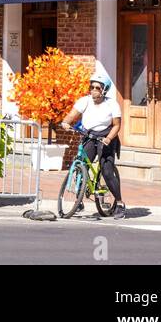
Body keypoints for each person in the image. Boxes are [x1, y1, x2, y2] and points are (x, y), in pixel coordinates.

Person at [61, 75, 126, 219]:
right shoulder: (84, 101)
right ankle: (79, 202)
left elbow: (116, 125)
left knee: (107, 171)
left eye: (98, 88)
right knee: (81, 165)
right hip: (89, 136)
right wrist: (66, 122)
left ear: (104, 90)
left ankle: (120, 204)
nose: (94, 90)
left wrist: (109, 138)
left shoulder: (112, 104)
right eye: (92, 87)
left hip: (106, 136)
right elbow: (72, 115)